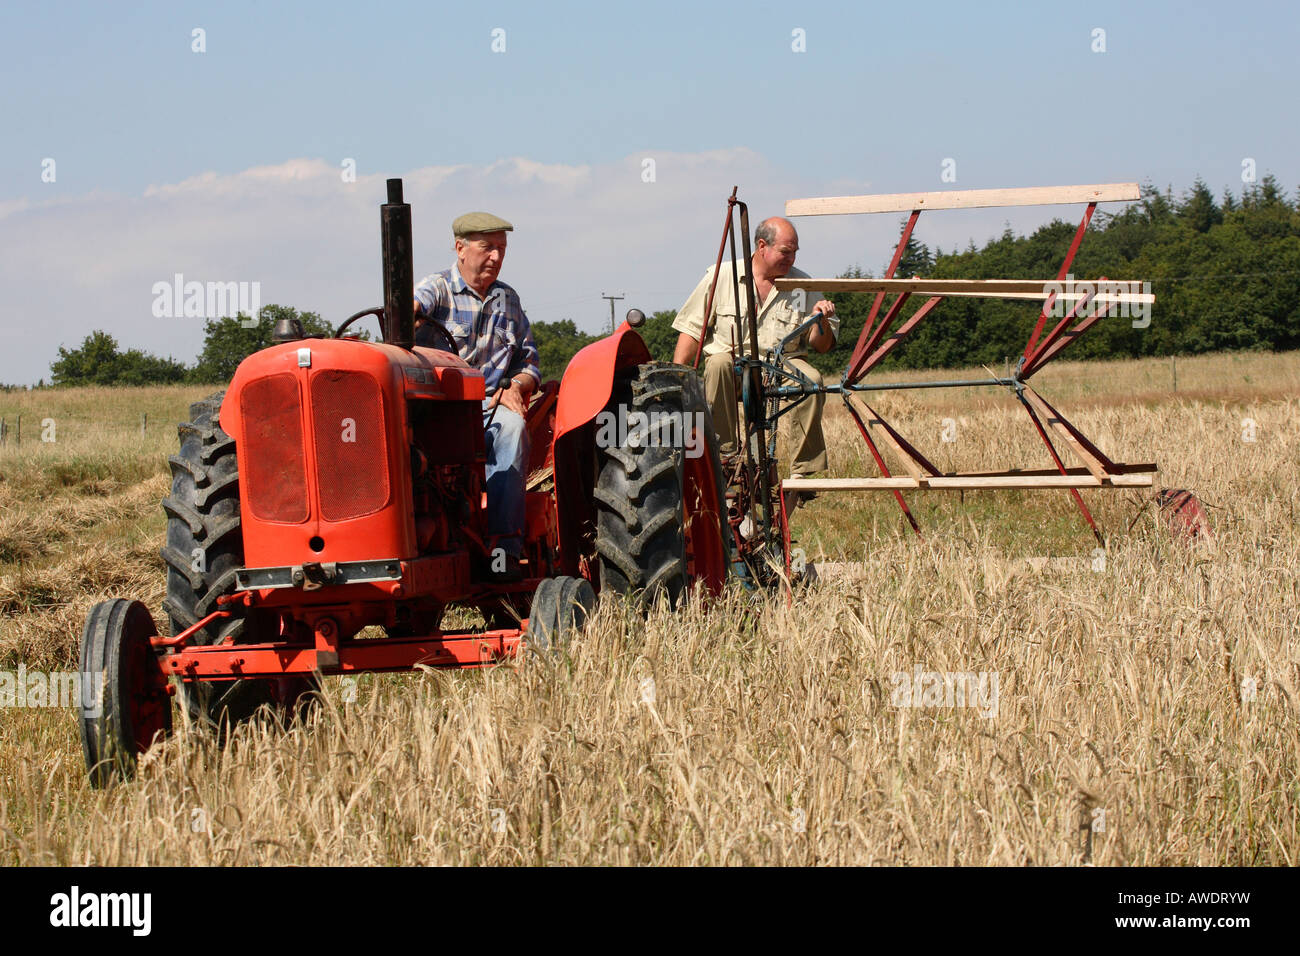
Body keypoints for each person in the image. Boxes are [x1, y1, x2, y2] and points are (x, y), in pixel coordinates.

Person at [413, 212, 540, 580]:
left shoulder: (508, 300)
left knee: (512, 429)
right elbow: (413, 306)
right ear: (460, 248)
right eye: (487, 248)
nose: (496, 258)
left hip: (491, 406)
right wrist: (410, 314)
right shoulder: (438, 288)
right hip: (441, 410)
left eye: (502, 249)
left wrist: (514, 387)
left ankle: (504, 550)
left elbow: (530, 365)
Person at [671, 216, 838, 483]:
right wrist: (677, 380)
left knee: (813, 381)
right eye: (785, 252)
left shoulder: (802, 285)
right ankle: (725, 455)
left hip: (782, 364)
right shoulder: (721, 276)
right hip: (735, 367)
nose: (791, 259)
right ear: (762, 246)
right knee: (717, 363)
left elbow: (822, 345)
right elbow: (692, 330)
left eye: (795, 253)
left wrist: (823, 320)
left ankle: (804, 473)